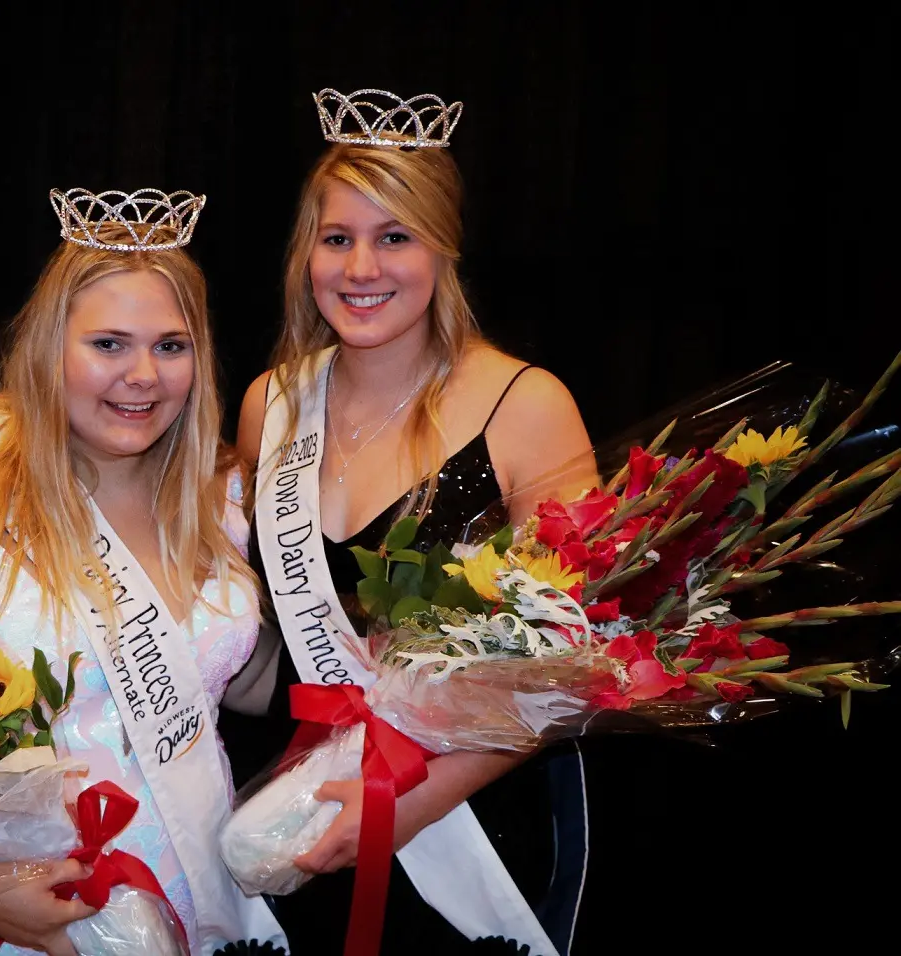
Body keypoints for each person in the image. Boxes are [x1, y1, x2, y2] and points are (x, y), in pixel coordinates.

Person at [0, 187, 285, 956]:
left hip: (190, 901)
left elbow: (241, 683)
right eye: (109, 344)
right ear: (50, 347)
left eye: (171, 346)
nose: (143, 374)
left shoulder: (219, 498)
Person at [224, 90, 598, 956]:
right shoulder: (269, 406)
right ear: (304, 253)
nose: (362, 268)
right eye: (337, 238)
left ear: (444, 248)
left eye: (395, 237)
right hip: (311, 812)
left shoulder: (525, 404)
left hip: (476, 827)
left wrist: (404, 808)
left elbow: (580, 665)